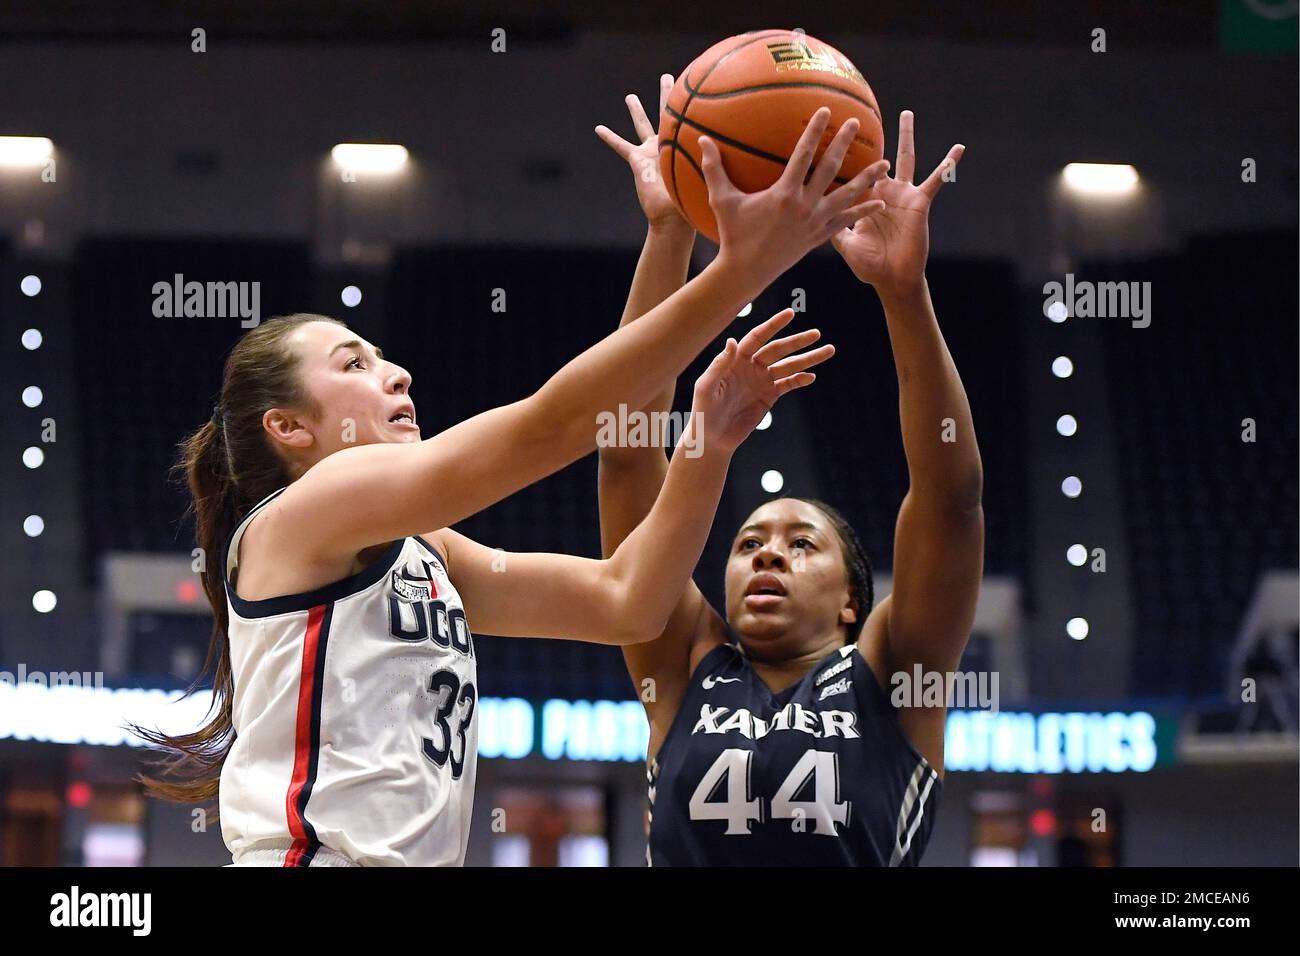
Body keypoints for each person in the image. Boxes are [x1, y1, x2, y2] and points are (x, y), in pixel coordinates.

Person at [134, 103, 877, 867]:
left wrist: (672, 245)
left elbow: (630, 599)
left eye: (382, 355)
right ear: (288, 427)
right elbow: (551, 426)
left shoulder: (426, 552)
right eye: (354, 364)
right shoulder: (300, 515)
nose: (396, 373)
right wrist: (742, 269)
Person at [597, 80, 982, 866]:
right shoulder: (680, 662)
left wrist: (904, 294)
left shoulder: (895, 674)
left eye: (801, 544)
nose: (767, 554)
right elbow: (628, 446)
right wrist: (672, 229)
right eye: (747, 545)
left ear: (852, 601)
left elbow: (951, 501)